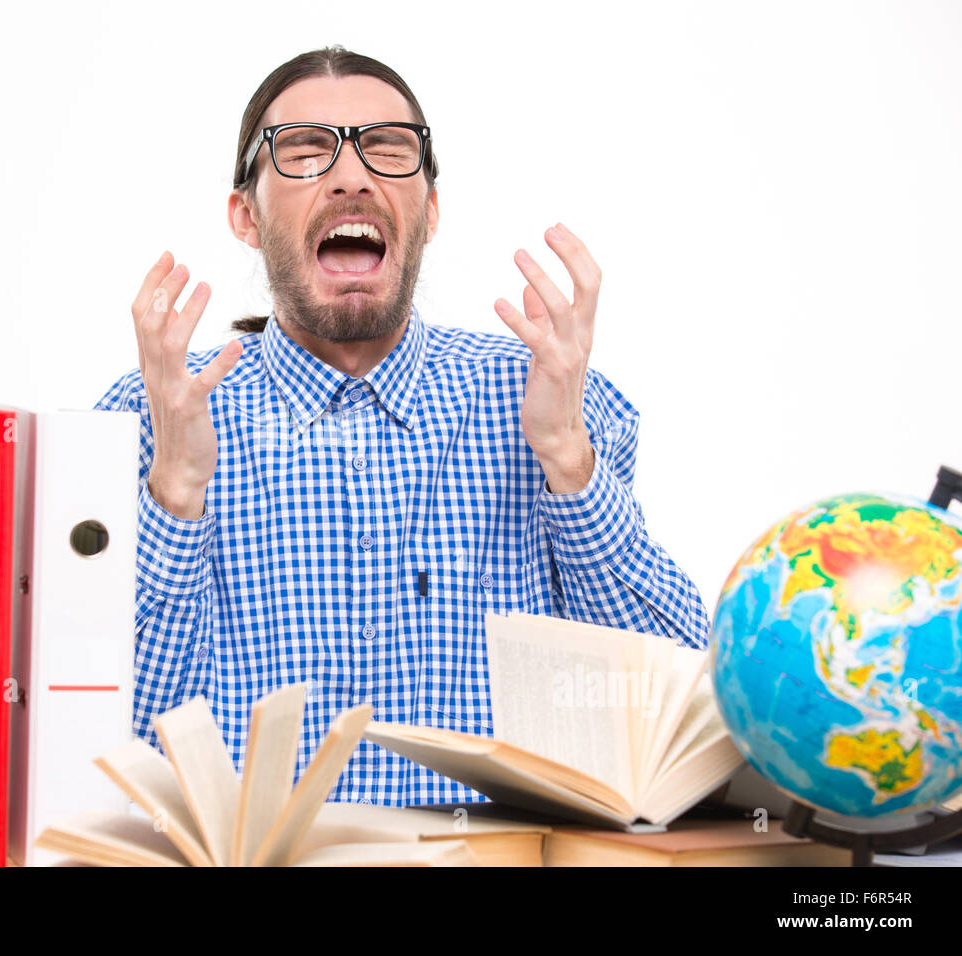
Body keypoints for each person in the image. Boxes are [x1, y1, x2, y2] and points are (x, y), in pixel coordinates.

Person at [94, 45, 710, 805]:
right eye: (306, 150)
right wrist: (176, 494)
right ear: (245, 217)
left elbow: (678, 707)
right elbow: (105, 738)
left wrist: (568, 461)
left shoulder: (546, 400)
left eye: (386, 148)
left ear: (432, 211)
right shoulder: (150, 418)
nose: (352, 176)